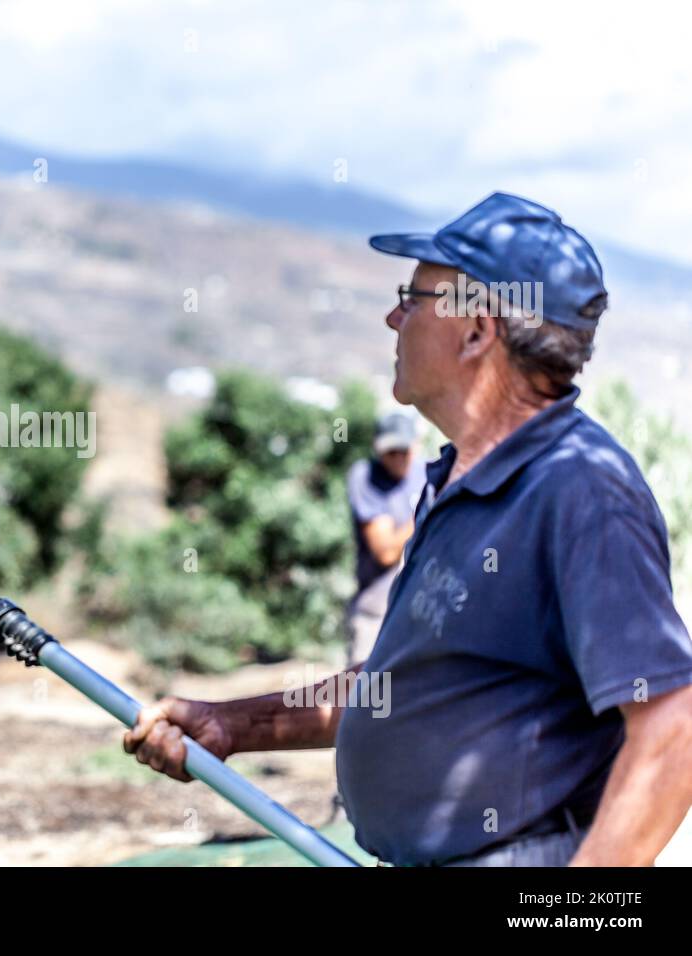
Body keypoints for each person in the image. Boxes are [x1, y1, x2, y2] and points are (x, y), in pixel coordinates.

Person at [123, 192, 692, 866]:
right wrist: (232, 723)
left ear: (476, 331)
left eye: (413, 298)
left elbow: (672, 730)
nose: (393, 316)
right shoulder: (457, 480)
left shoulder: (580, 491)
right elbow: (396, 685)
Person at [344, 412, 426, 664]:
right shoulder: (366, 477)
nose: (398, 458)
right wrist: (427, 511)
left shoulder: (429, 472)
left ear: (416, 445)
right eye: (391, 452)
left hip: (420, 614)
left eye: (404, 450)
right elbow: (386, 551)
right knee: (365, 698)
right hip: (375, 612)